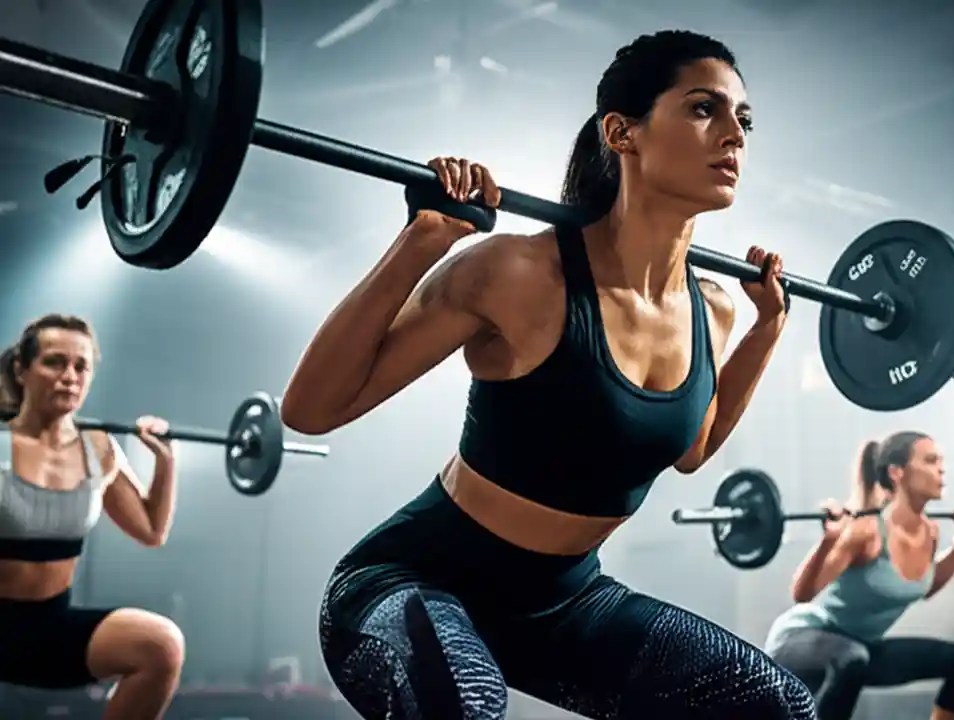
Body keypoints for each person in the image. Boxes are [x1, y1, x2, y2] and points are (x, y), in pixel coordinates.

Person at [282, 30, 816, 720]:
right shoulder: (519, 272)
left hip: (565, 604)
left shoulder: (712, 308)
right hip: (412, 583)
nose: (734, 135)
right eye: (703, 109)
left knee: (778, 708)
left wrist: (767, 329)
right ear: (621, 132)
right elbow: (311, 409)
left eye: (742, 119)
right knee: (468, 708)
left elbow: (690, 449)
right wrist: (421, 243)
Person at [0, 314, 184, 720]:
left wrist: (165, 462)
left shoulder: (97, 448)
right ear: (21, 369)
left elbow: (152, 530)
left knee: (161, 646)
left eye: (81, 366)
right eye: (54, 362)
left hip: (50, 624)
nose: (70, 376)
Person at [764, 432, 954, 720]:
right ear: (897, 472)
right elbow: (802, 593)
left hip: (863, 647)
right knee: (852, 658)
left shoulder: (930, 532)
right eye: (931, 460)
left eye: (941, 461)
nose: (942, 469)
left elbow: (926, 586)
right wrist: (829, 540)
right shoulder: (867, 532)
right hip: (801, 641)